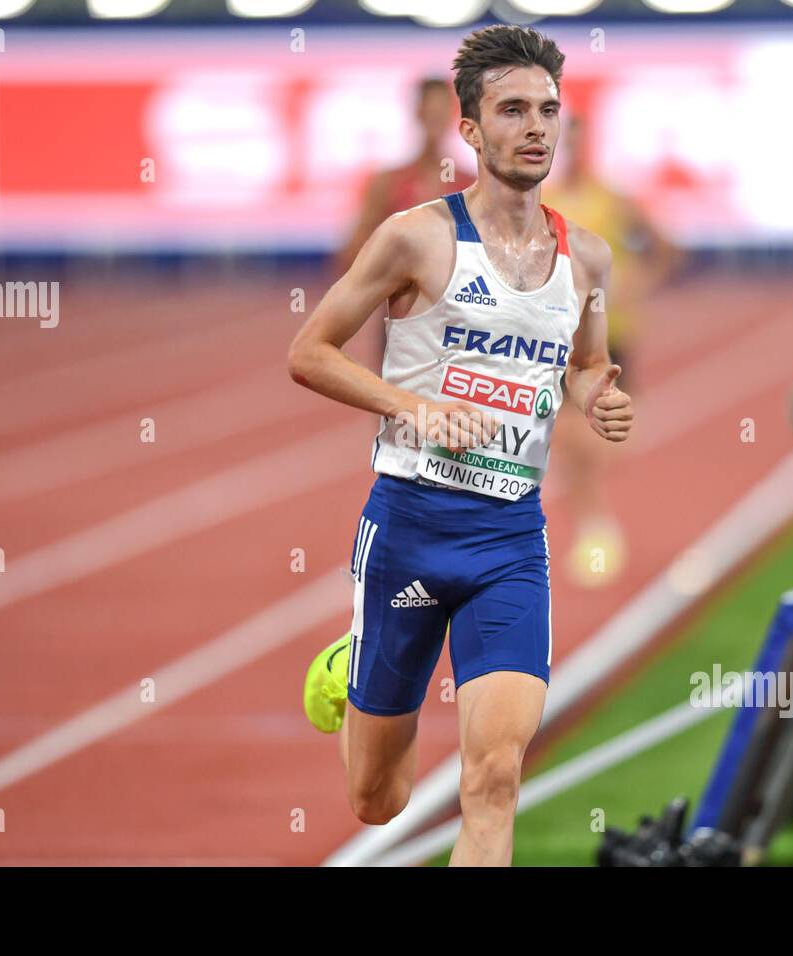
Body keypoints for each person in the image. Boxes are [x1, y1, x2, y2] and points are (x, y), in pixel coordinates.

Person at [288, 24, 633, 866]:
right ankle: (354, 660)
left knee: (494, 779)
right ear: (470, 131)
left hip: (509, 543)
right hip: (408, 530)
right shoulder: (416, 237)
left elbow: (586, 365)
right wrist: (410, 406)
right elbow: (309, 352)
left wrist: (600, 397)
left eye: (548, 110)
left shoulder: (586, 257)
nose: (536, 127)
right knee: (380, 801)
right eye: (512, 110)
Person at [542, 114, 679, 586]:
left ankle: (592, 513)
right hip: (559, 335)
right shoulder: (541, 201)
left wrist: (640, 282)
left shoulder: (613, 200)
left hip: (611, 333)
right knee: (566, 436)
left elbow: (665, 247)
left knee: (610, 440)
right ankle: (594, 525)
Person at [332, 78, 477, 370]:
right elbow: (352, 254)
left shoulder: (471, 186)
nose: (435, 120)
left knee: (457, 413)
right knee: (397, 411)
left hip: (460, 327)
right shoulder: (389, 183)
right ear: (417, 114)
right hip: (401, 326)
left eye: (441, 111)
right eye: (429, 111)